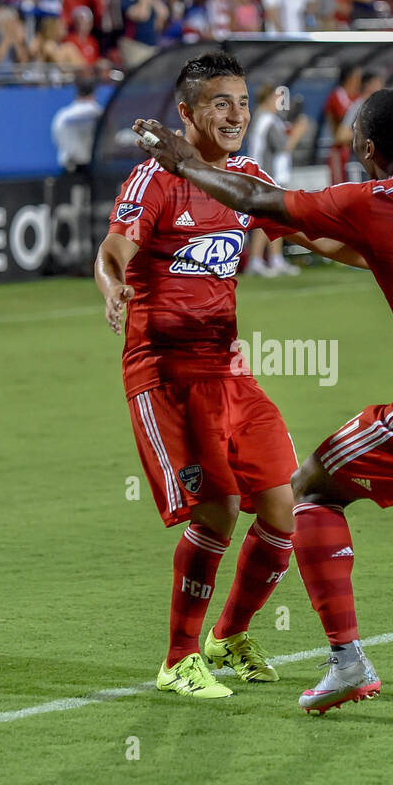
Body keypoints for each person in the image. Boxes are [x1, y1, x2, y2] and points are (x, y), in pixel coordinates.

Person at [134, 84, 393, 715]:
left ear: (366, 147)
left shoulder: (370, 200)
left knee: (312, 488)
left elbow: (255, 196)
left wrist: (183, 162)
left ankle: (346, 662)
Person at [93, 52, 365, 700]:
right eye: (221, 103)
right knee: (216, 507)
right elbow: (114, 249)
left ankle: (228, 634)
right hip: (166, 373)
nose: (237, 114)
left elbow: (310, 236)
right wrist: (112, 287)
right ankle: (178, 658)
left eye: (243, 102)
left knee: (282, 504)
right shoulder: (155, 180)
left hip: (229, 373)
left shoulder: (244, 178)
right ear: (185, 114)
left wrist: (389, 259)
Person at [244, 81, 309, 276]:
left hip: (268, 175)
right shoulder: (267, 119)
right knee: (267, 220)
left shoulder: (264, 118)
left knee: (276, 219)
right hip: (267, 175)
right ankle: (256, 260)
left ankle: (275, 258)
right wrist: (298, 131)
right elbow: (283, 147)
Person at [322, 63, 361, 184]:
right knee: (340, 186)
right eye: (357, 77)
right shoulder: (338, 95)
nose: (359, 81)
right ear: (349, 78)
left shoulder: (356, 97)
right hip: (339, 150)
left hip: (352, 151)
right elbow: (343, 119)